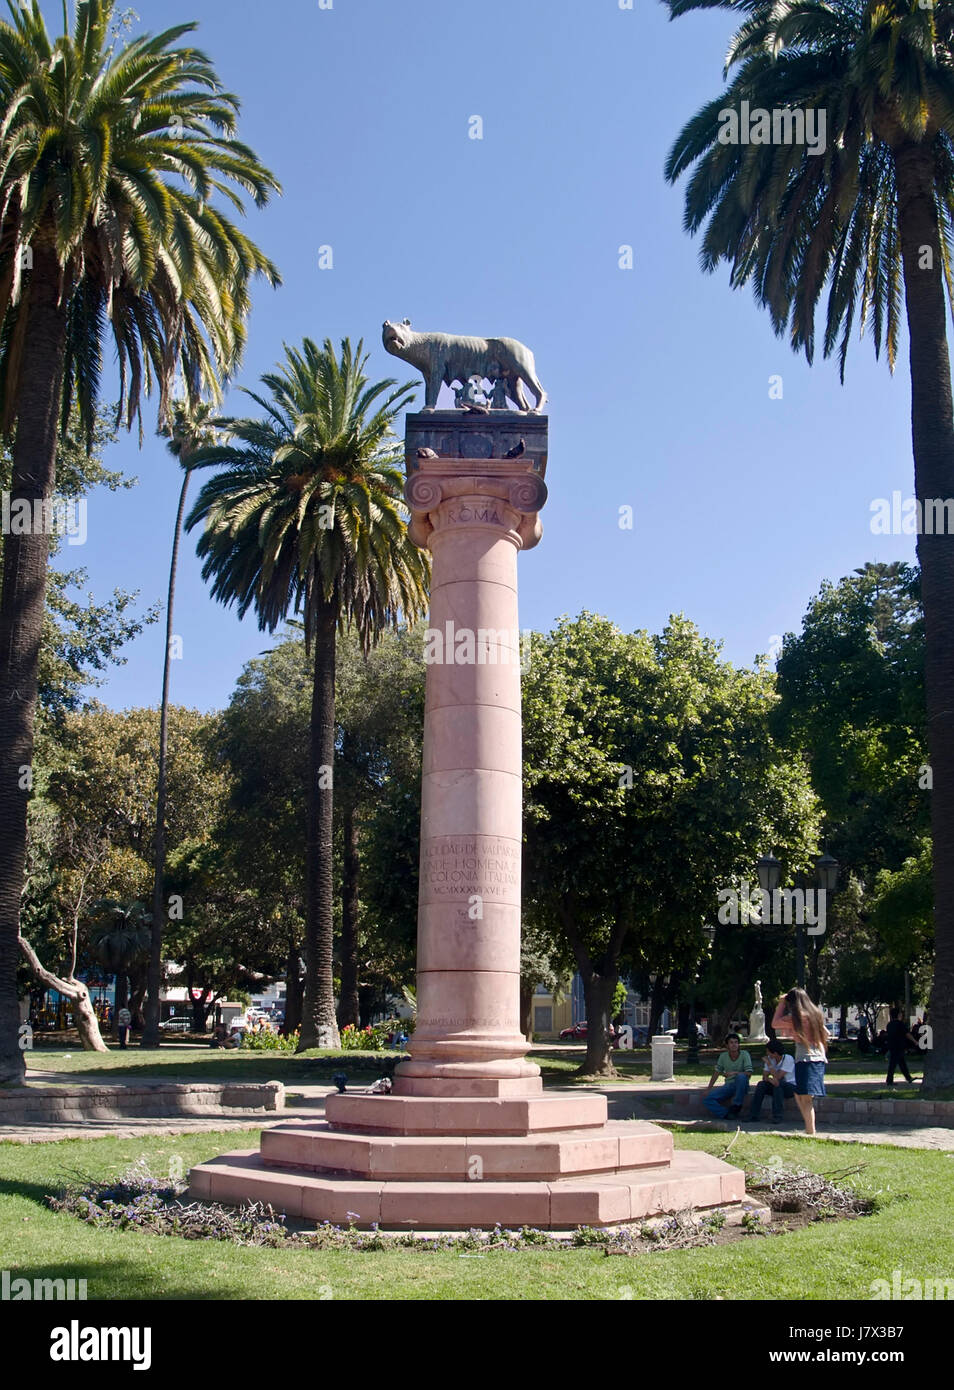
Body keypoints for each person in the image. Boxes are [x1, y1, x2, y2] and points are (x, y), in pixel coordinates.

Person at [771, 988, 829, 1136]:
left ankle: (811, 1131)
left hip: (805, 1059)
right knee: (800, 1094)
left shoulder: (796, 1017)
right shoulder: (815, 1014)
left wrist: (781, 1003)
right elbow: (827, 1033)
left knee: (805, 1097)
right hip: (818, 1058)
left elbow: (775, 1023)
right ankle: (809, 1129)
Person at [703, 1033, 753, 1119]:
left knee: (741, 1077)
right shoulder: (723, 1056)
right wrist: (709, 1088)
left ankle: (737, 1105)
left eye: (736, 1042)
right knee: (708, 1099)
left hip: (742, 1085)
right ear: (727, 1045)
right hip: (729, 1085)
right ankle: (726, 1114)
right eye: (731, 1042)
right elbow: (716, 1072)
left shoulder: (744, 1054)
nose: (734, 1045)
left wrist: (734, 1073)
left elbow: (749, 1073)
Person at [747, 1042, 796, 1122]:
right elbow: (764, 1077)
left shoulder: (788, 1059)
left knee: (778, 1085)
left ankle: (777, 1116)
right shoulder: (770, 1059)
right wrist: (770, 1080)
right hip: (776, 1084)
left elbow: (778, 1076)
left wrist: (769, 1064)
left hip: (790, 1086)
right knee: (761, 1085)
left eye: (768, 1052)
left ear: (775, 1053)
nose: (767, 1054)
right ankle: (753, 1115)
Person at [884, 1007, 917, 1085]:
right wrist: (915, 1041)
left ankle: (908, 1078)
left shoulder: (889, 1025)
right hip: (899, 1045)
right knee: (893, 1063)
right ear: (898, 1015)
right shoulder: (900, 1024)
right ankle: (889, 1080)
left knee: (901, 1062)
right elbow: (907, 1034)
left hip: (892, 1045)